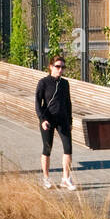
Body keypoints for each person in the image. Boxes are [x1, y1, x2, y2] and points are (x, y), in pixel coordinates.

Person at [35, 54, 76, 190]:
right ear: (51, 67)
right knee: (47, 148)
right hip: (48, 120)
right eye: (58, 67)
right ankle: (46, 178)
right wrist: (42, 119)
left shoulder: (65, 83)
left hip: (62, 119)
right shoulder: (43, 82)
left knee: (68, 148)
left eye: (63, 67)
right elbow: (37, 103)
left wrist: (70, 121)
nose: (60, 70)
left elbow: (68, 103)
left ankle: (66, 178)